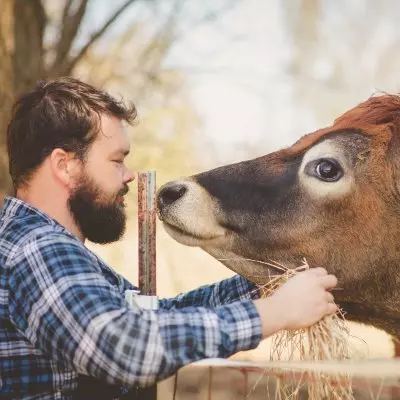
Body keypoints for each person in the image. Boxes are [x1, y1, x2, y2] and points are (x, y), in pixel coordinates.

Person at [0, 77, 338, 400]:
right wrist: (275, 312)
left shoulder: (45, 246)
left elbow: (156, 319)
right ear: (66, 166)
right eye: (117, 160)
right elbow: (123, 346)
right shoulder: (36, 247)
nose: (129, 175)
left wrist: (266, 279)